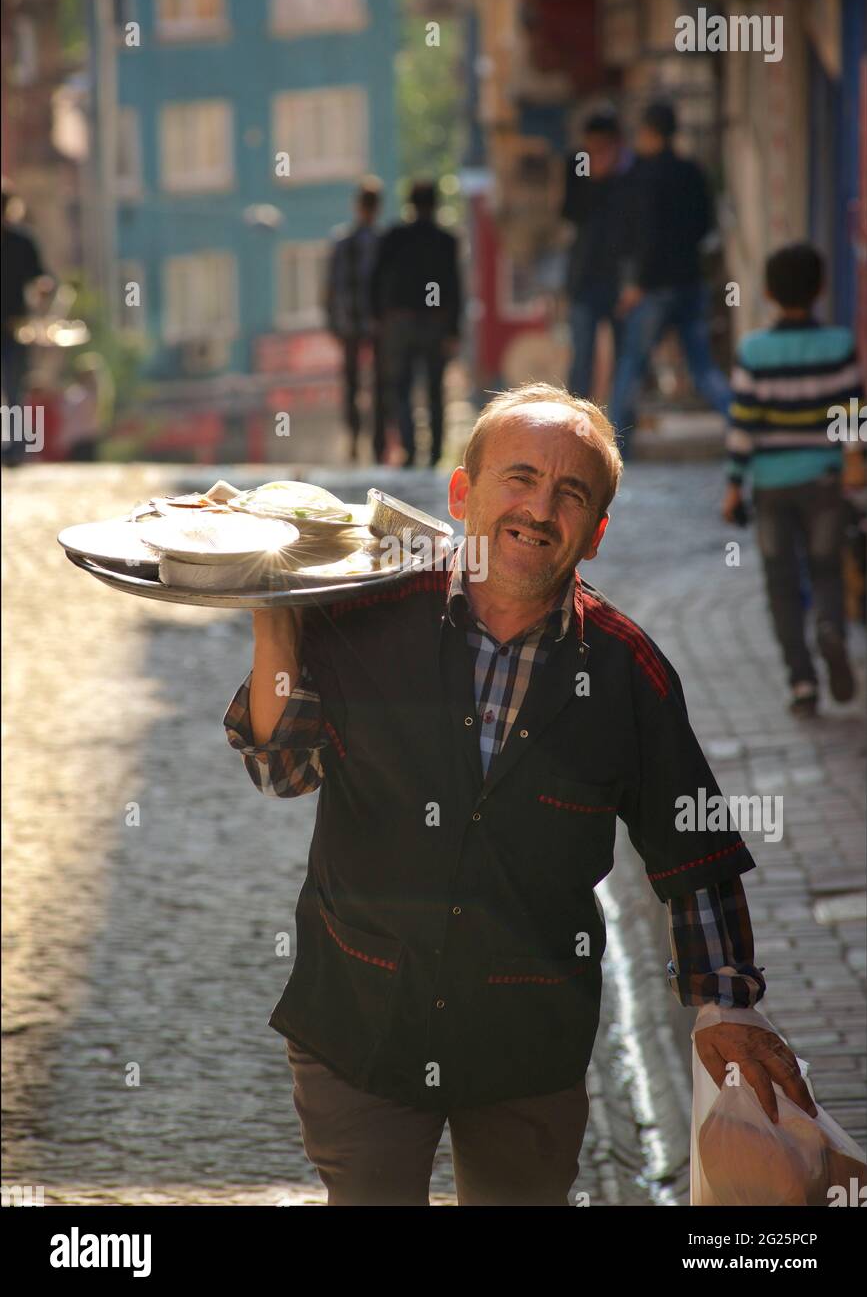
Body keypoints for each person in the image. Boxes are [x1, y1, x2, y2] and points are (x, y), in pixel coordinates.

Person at [224, 382, 817, 1207]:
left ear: (596, 533)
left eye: (570, 493)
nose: (539, 509)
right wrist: (275, 612)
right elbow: (279, 769)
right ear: (463, 493)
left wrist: (725, 1006)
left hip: (527, 1047)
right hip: (358, 1017)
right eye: (520, 477)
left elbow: (693, 845)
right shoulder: (365, 610)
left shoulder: (625, 671)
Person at [722, 243, 862, 717]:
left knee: (780, 582)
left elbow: (744, 424)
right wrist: (855, 460)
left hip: (771, 486)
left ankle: (802, 681)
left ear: (766, 292)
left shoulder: (754, 352)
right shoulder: (840, 345)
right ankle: (830, 630)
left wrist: (734, 484)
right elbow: (854, 415)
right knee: (826, 570)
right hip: (824, 481)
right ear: (821, 288)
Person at [610, 101, 732, 455]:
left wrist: (636, 283)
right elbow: (706, 227)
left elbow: (645, 235)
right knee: (703, 367)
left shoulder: (641, 176)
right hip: (691, 282)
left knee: (632, 365)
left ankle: (615, 448)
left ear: (648, 133)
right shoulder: (692, 172)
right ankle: (743, 428)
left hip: (653, 288)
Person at [370, 179, 461, 468]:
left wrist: (379, 317)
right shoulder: (446, 241)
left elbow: (376, 279)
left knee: (402, 388)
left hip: (400, 323)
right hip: (436, 323)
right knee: (434, 389)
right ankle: (434, 452)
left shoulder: (395, 236)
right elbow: (455, 287)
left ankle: (409, 449)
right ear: (435, 205)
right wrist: (454, 329)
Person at [561, 110, 633, 398]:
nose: (596, 152)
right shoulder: (578, 164)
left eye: (603, 146)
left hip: (621, 279)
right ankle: (576, 424)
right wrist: (593, 180)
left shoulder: (631, 171)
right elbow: (570, 211)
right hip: (584, 277)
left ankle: (621, 425)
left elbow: (634, 221)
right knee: (582, 358)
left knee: (627, 358)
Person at [324, 179, 387, 464]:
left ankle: (357, 439)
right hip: (375, 323)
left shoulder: (343, 242)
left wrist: (332, 321)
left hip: (351, 321)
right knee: (378, 383)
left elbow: (330, 287)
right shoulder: (382, 243)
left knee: (354, 383)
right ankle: (377, 442)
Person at [1, 181, 52, 465]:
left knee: (14, 388)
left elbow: (41, 276)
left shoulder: (22, 241)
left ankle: (15, 449)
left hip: (13, 326)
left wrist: (44, 287)